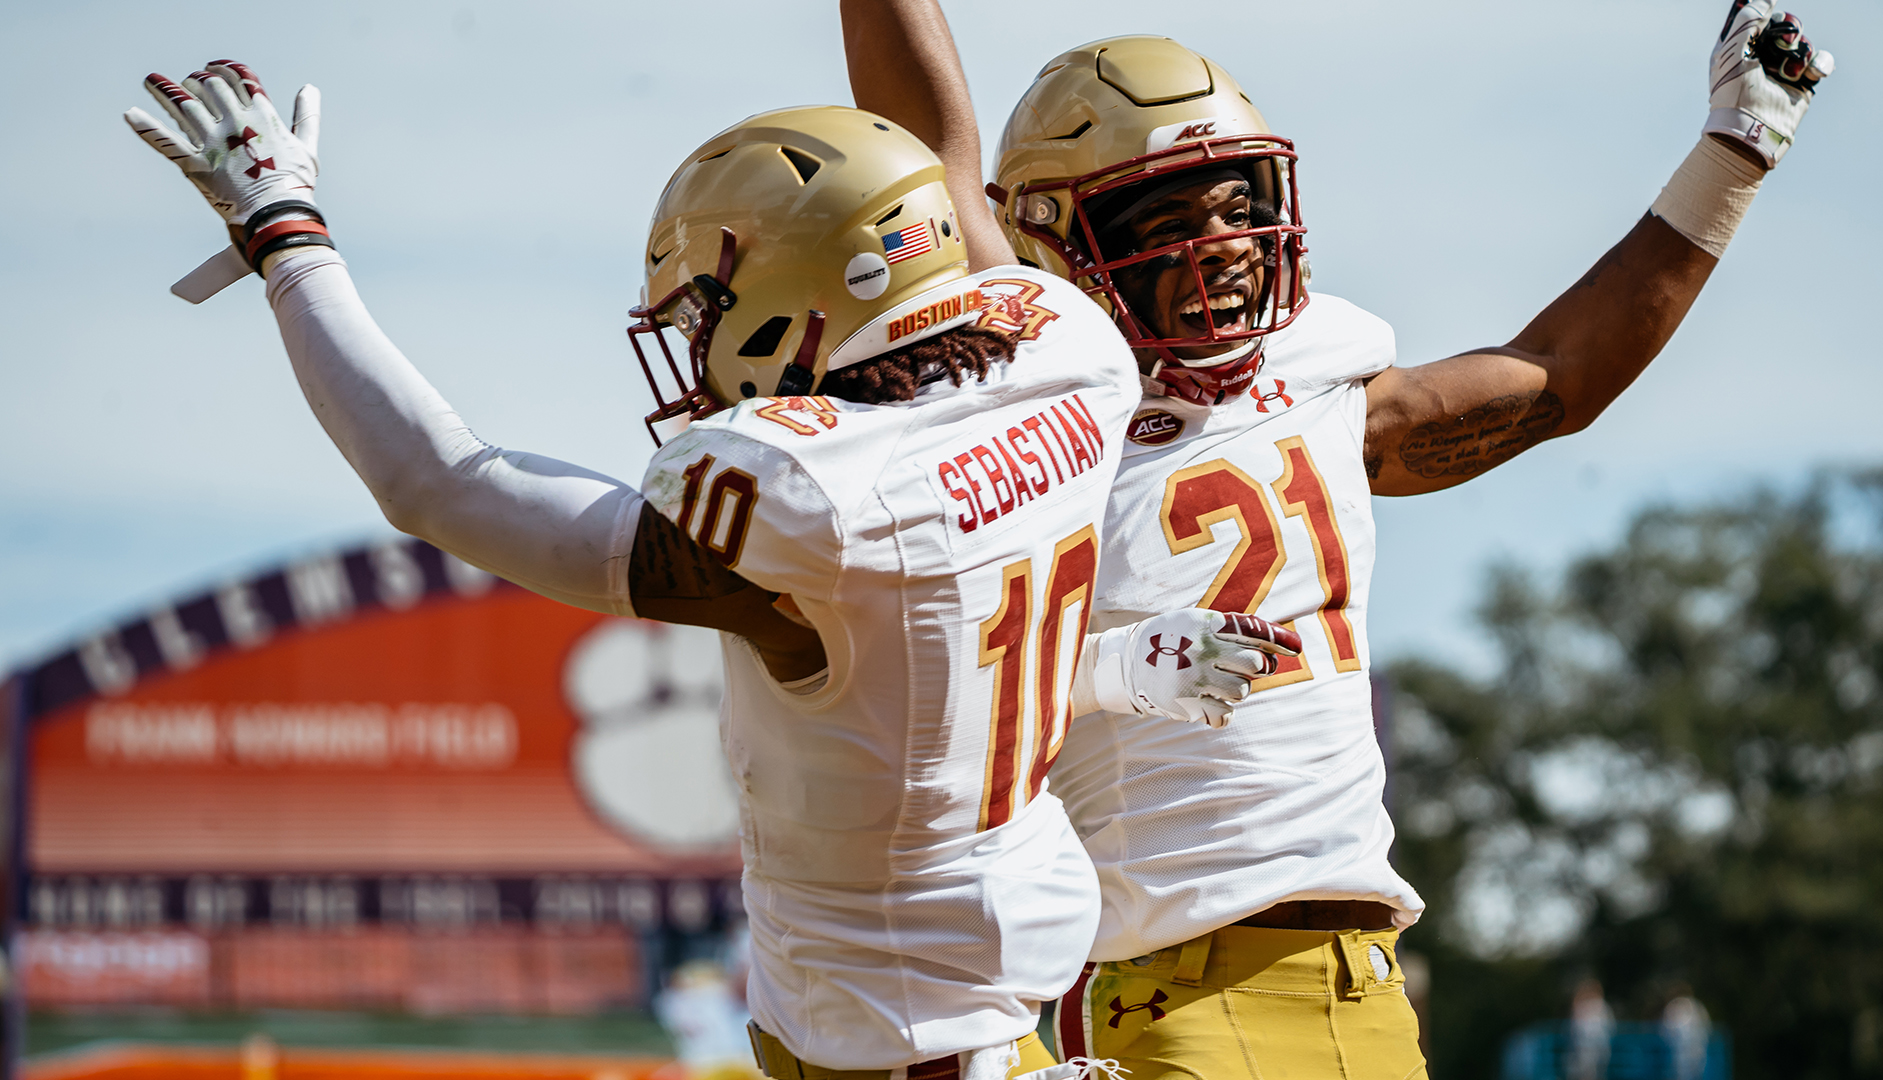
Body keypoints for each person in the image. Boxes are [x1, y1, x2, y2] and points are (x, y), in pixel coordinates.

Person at [122, 64, 1300, 1078]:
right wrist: (1109, 670)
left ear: (799, 296)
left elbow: (440, 481)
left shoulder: (815, 497)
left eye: (706, 310)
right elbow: (941, 676)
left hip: (903, 1039)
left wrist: (289, 243)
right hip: (984, 1008)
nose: (695, 347)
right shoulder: (1071, 352)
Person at [840, 1, 1834, 1076]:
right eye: (1167, 220)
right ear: (1058, 240)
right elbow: (932, 154)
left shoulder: (1326, 382)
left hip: (1366, 986)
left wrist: (1739, 145)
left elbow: (1561, 377)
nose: (1223, 247)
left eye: (1237, 205)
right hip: (1171, 985)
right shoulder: (1039, 393)